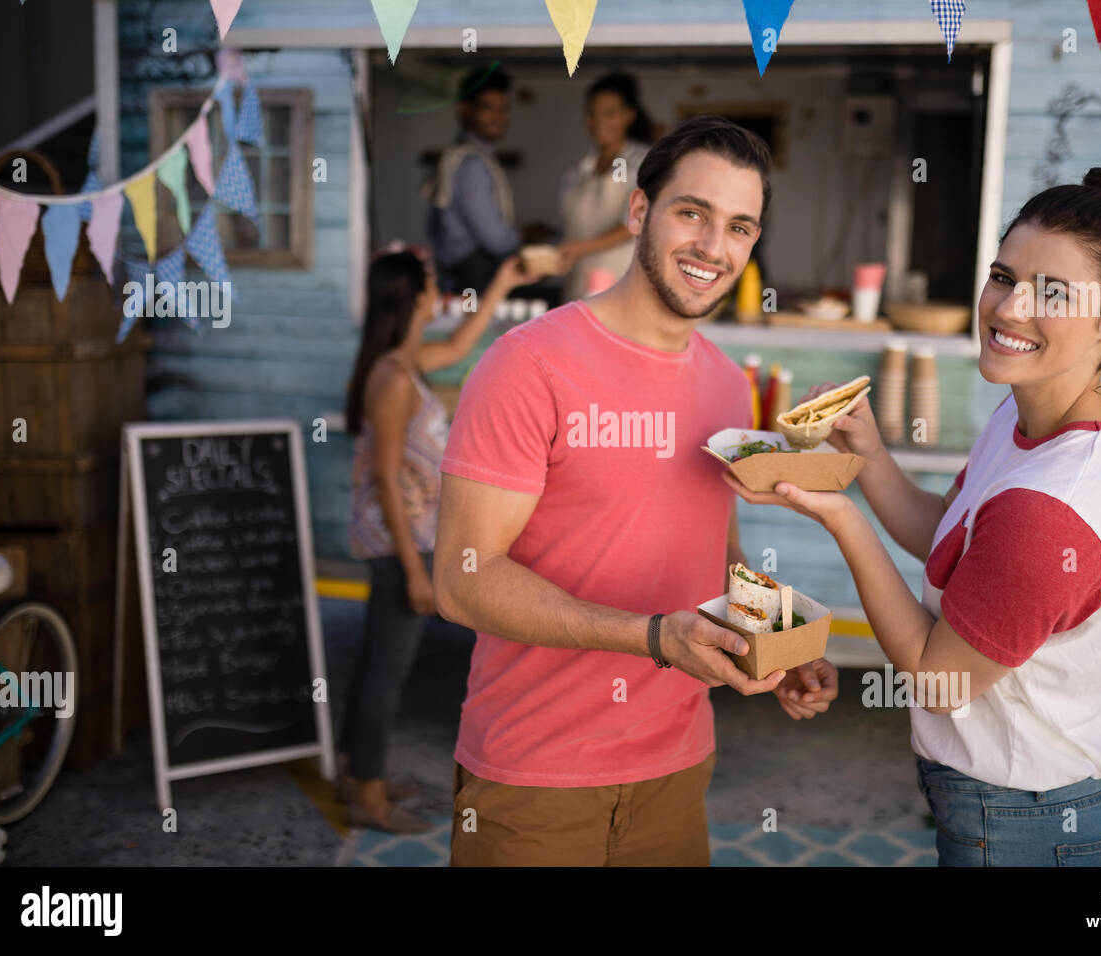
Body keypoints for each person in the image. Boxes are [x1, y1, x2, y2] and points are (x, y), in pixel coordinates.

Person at [725, 165, 1101, 866]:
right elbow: (951, 535)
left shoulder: (1054, 511)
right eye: (1004, 276)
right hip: (994, 798)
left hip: (1030, 823)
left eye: (1052, 293)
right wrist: (868, 452)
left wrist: (842, 519)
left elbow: (939, 675)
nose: (1009, 308)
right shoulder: (1033, 412)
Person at [433, 115, 838, 866]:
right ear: (639, 211)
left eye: (740, 227)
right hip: (535, 777)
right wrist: (653, 637)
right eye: (693, 213)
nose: (715, 248)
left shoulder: (725, 383)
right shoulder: (527, 365)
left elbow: (716, 549)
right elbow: (462, 582)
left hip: (676, 772)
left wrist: (774, 640)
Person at [340, 242, 536, 833]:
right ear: (418, 298)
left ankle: (358, 773)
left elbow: (459, 345)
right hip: (400, 546)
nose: (437, 291)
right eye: (430, 284)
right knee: (387, 672)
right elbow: (385, 478)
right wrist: (415, 568)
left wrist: (502, 282)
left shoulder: (402, 363)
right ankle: (369, 799)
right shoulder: (393, 379)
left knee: (377, 662)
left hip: (408, 542)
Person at [424, 67, 526, 296]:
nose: (498, 117)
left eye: (503, 109)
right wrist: (526, 239)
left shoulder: (470, 157)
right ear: (464, 109)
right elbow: (496, 240)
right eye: (488, 109)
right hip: (473, 281)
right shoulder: (471, 164)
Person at [555, 73, 653, 300]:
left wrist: (579, 249)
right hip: (577, 290)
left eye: (610, 113)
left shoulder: (642, 163)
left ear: (629, 116)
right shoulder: (577, 173)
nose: (599, 122)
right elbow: (571, 230)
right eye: (592, 114)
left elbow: (633, 224)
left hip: (623, 291)